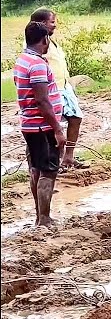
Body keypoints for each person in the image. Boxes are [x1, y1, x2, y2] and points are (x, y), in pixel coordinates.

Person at [14, 22, 65, 227]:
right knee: (48, 171)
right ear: (45, 40)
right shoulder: (36, 64)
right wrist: (58, 128)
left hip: (30, 125)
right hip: (42, 126)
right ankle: (44, 218)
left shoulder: (22, 60)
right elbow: (43, 101)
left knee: (36, 169)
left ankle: (39, 216)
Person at [30, 9, 85, 169]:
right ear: (41, 24)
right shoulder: (35, 44)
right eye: (52, 22)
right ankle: (55, 160)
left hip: (64, 87)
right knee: (53, 125)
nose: (55, 25)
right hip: (52, 89)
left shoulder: (50, 41)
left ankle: (68, 157)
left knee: (75, 117)